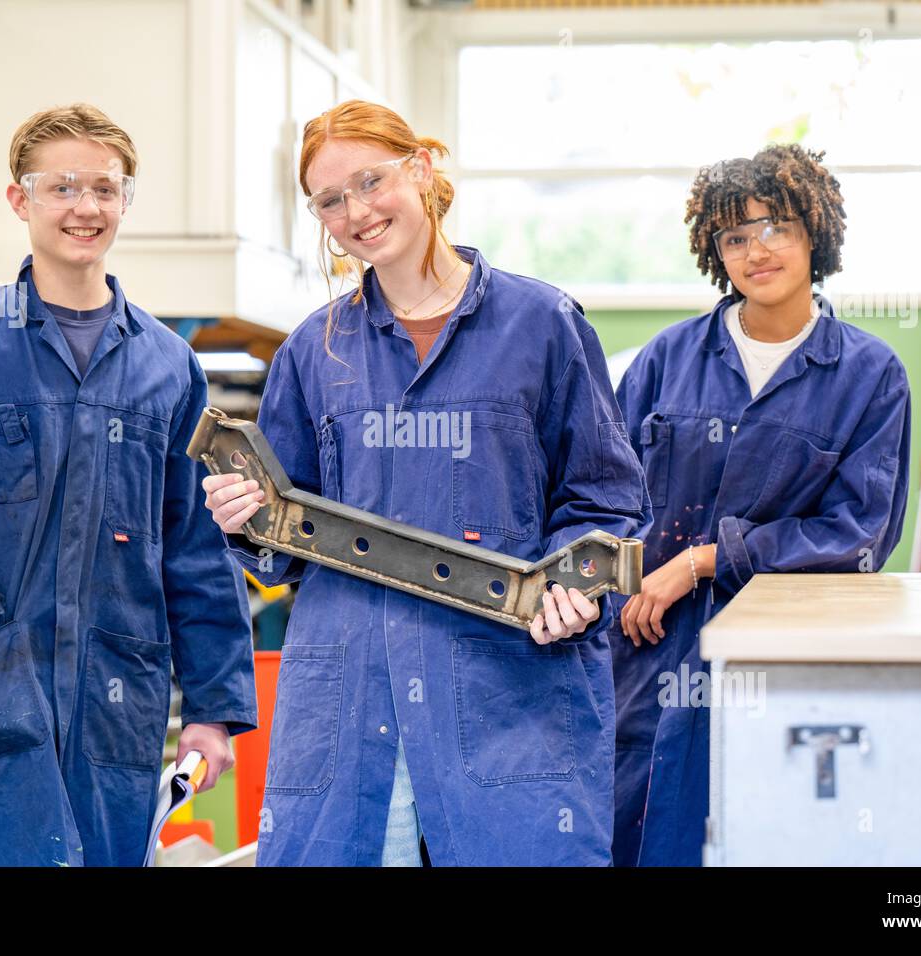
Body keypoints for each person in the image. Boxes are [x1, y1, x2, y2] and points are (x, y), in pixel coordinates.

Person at [203, 99, 652, 866]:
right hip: (351, 696)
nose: (356, 213)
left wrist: (574, 584)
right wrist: (242, 516)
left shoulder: (542, 322)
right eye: (329, 201)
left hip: (508, 693)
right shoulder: (315, 350)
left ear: (421, 169)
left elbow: (606, 497)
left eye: (369, 181)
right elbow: (279, 541)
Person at [0, 104, 256, 866]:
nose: (87, 208)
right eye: (64, 187)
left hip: (121, 704)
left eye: (106, 190)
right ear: (21, 199)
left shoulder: (167, 365)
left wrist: (214, 708)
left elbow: (193, 550)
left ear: (125, 200)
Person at [611, 144, 911, 866]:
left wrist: (708, 560)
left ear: (815, 233)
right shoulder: (665, 360)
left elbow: (860, 533)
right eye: (735, 236)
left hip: (779, 654)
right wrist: (615, 584)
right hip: (649, 647)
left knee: (765, 831)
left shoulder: (869, 377)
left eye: (775, 226)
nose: (757, 250)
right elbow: (607, 491)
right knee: (633, 826)